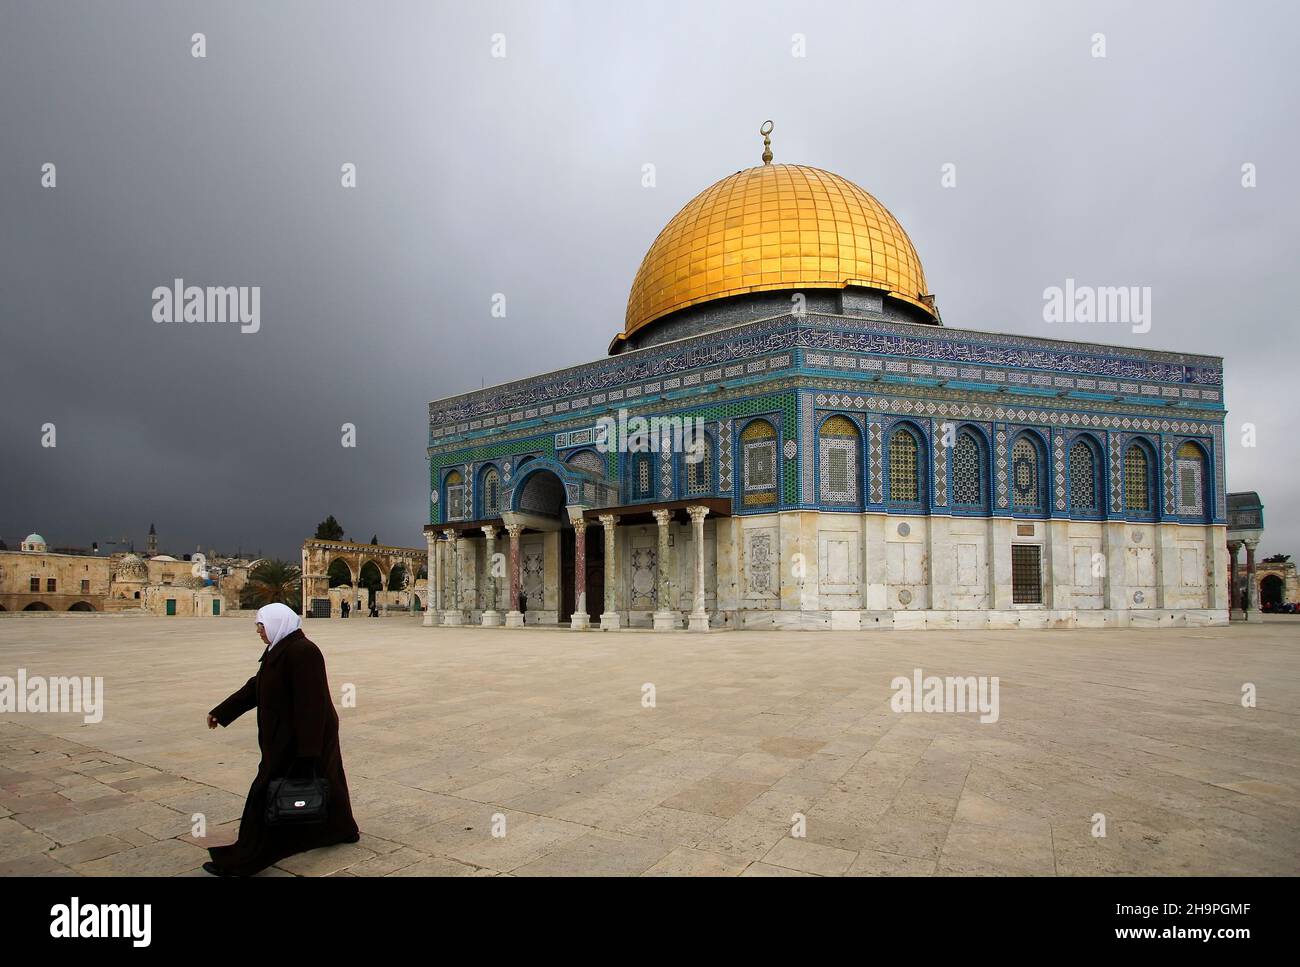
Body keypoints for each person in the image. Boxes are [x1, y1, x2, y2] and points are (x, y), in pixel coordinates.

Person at [203, 603, 359, 876]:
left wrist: (307, 753)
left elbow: (313, 705)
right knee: (328, 780)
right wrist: (223, 711)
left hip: (302, 737)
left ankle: (248, 856)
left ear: (276, 623)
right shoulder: (280, 649)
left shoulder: (303, 652)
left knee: (266, 792)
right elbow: (257, 685)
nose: (258, 631)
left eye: (261, 625)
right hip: (291, 736)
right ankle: (342, 828)